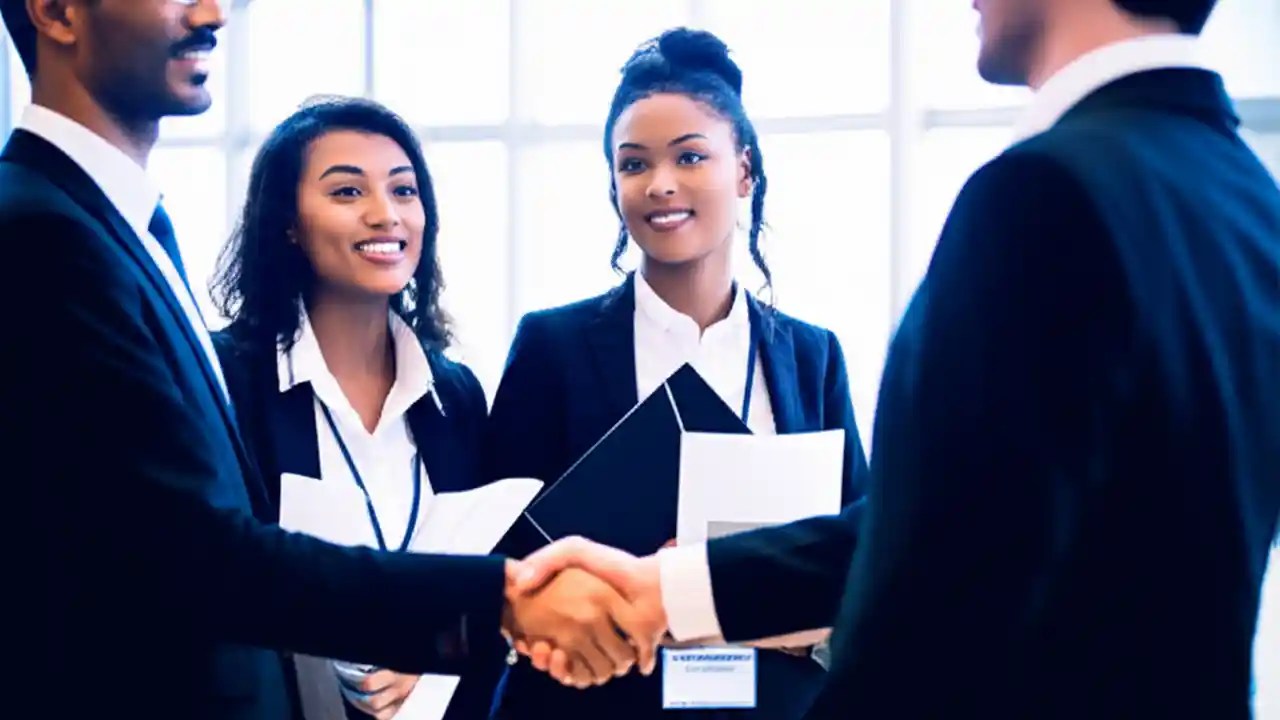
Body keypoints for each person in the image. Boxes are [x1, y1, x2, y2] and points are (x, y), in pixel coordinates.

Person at [516, 0, 1280, 717]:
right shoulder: (1247, 194)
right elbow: (968, 522)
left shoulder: (1044, 190)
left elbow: (935, 565)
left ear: (742, 169)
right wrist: (666, 591)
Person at [2, 2, 644, 718]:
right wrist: (497, 602)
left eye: (404, 189)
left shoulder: (122, 227)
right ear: (55, 11)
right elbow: (193, 552)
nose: (212, 13)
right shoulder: (42, 234)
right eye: (346, 191)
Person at [484, 27, 871, 720]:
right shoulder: (553, 347)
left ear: (744, 171)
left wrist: (755, 601)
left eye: (690, 156)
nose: (660, 183)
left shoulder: (812, 356)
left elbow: (863, 559)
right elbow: (498, 562)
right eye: (634, 164)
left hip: (775, 705)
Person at [209, 96, 509, 720]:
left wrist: (435, 652)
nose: (385, 214)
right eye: (347, 192)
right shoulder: (229, 381)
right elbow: (214, 574)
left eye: (404, 191)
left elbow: (479, 583)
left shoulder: (455, 396)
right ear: (288, 222)